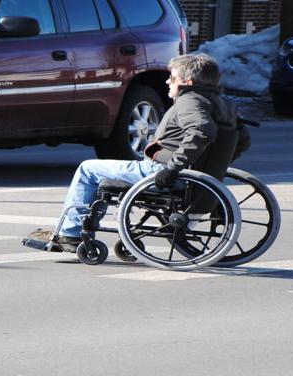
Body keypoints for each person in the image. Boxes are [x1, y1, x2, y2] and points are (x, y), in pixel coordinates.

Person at [24, 53, 251, 253]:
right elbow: (241, 141)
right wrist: (210, 167)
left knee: (88, 169)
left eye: (172, 77)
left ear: (187, 82)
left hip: (162, 171)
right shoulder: (225, 105)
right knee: (103, 172)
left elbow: (202, 130)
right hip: (189, 178)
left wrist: (174, 168)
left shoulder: (190, 101)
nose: (167, 82)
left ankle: (70, 233)